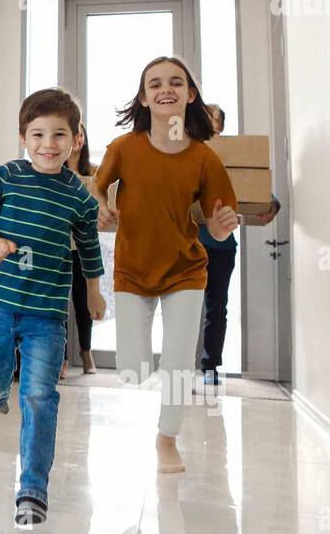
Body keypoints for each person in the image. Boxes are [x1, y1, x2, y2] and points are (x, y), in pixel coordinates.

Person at [91, 57, 237, 474]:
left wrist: (224, 227)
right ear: (144, 97)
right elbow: (97, 192)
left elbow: (218, 225)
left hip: (186, 270)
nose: (165, 88)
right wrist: (101, 209)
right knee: (134, 372)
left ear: (190, 95)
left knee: (177, 364)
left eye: (176, 82)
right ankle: (139, 378)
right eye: (155, 83)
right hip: (133, 269)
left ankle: (166, 439)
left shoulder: (204, 158)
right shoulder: (124, 148)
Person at [0, 87, 105, 525]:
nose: (49, 144)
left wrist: (94, 291)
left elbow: (89, 248)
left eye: (59, 135)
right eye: (38, 134)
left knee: (40, 397)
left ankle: (32, 491)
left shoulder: (80, 198)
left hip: (47, 315)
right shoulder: (4, 177)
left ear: (76, 140)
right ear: (23, 138)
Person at [195, 104, 280, 384]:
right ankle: (177, 366)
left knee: (216, 308)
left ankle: (209, 367)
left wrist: (270, 207)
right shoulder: (190, 157)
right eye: (204, 119)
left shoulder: (231, 163)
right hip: (189, 245)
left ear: (221, 128)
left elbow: (264, 196)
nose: (209, 125)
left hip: (221, 249)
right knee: (182, 306)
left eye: (213, 121)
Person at [62, 123, 99, 378]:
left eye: (80, 133)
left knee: (84, 301)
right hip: (58, 245)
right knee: (59, 304)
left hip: (83, 246)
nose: (77, 138)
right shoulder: (54, 171)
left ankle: (86, 353)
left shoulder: (94, 172)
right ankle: (61, 358)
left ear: (83, 139)